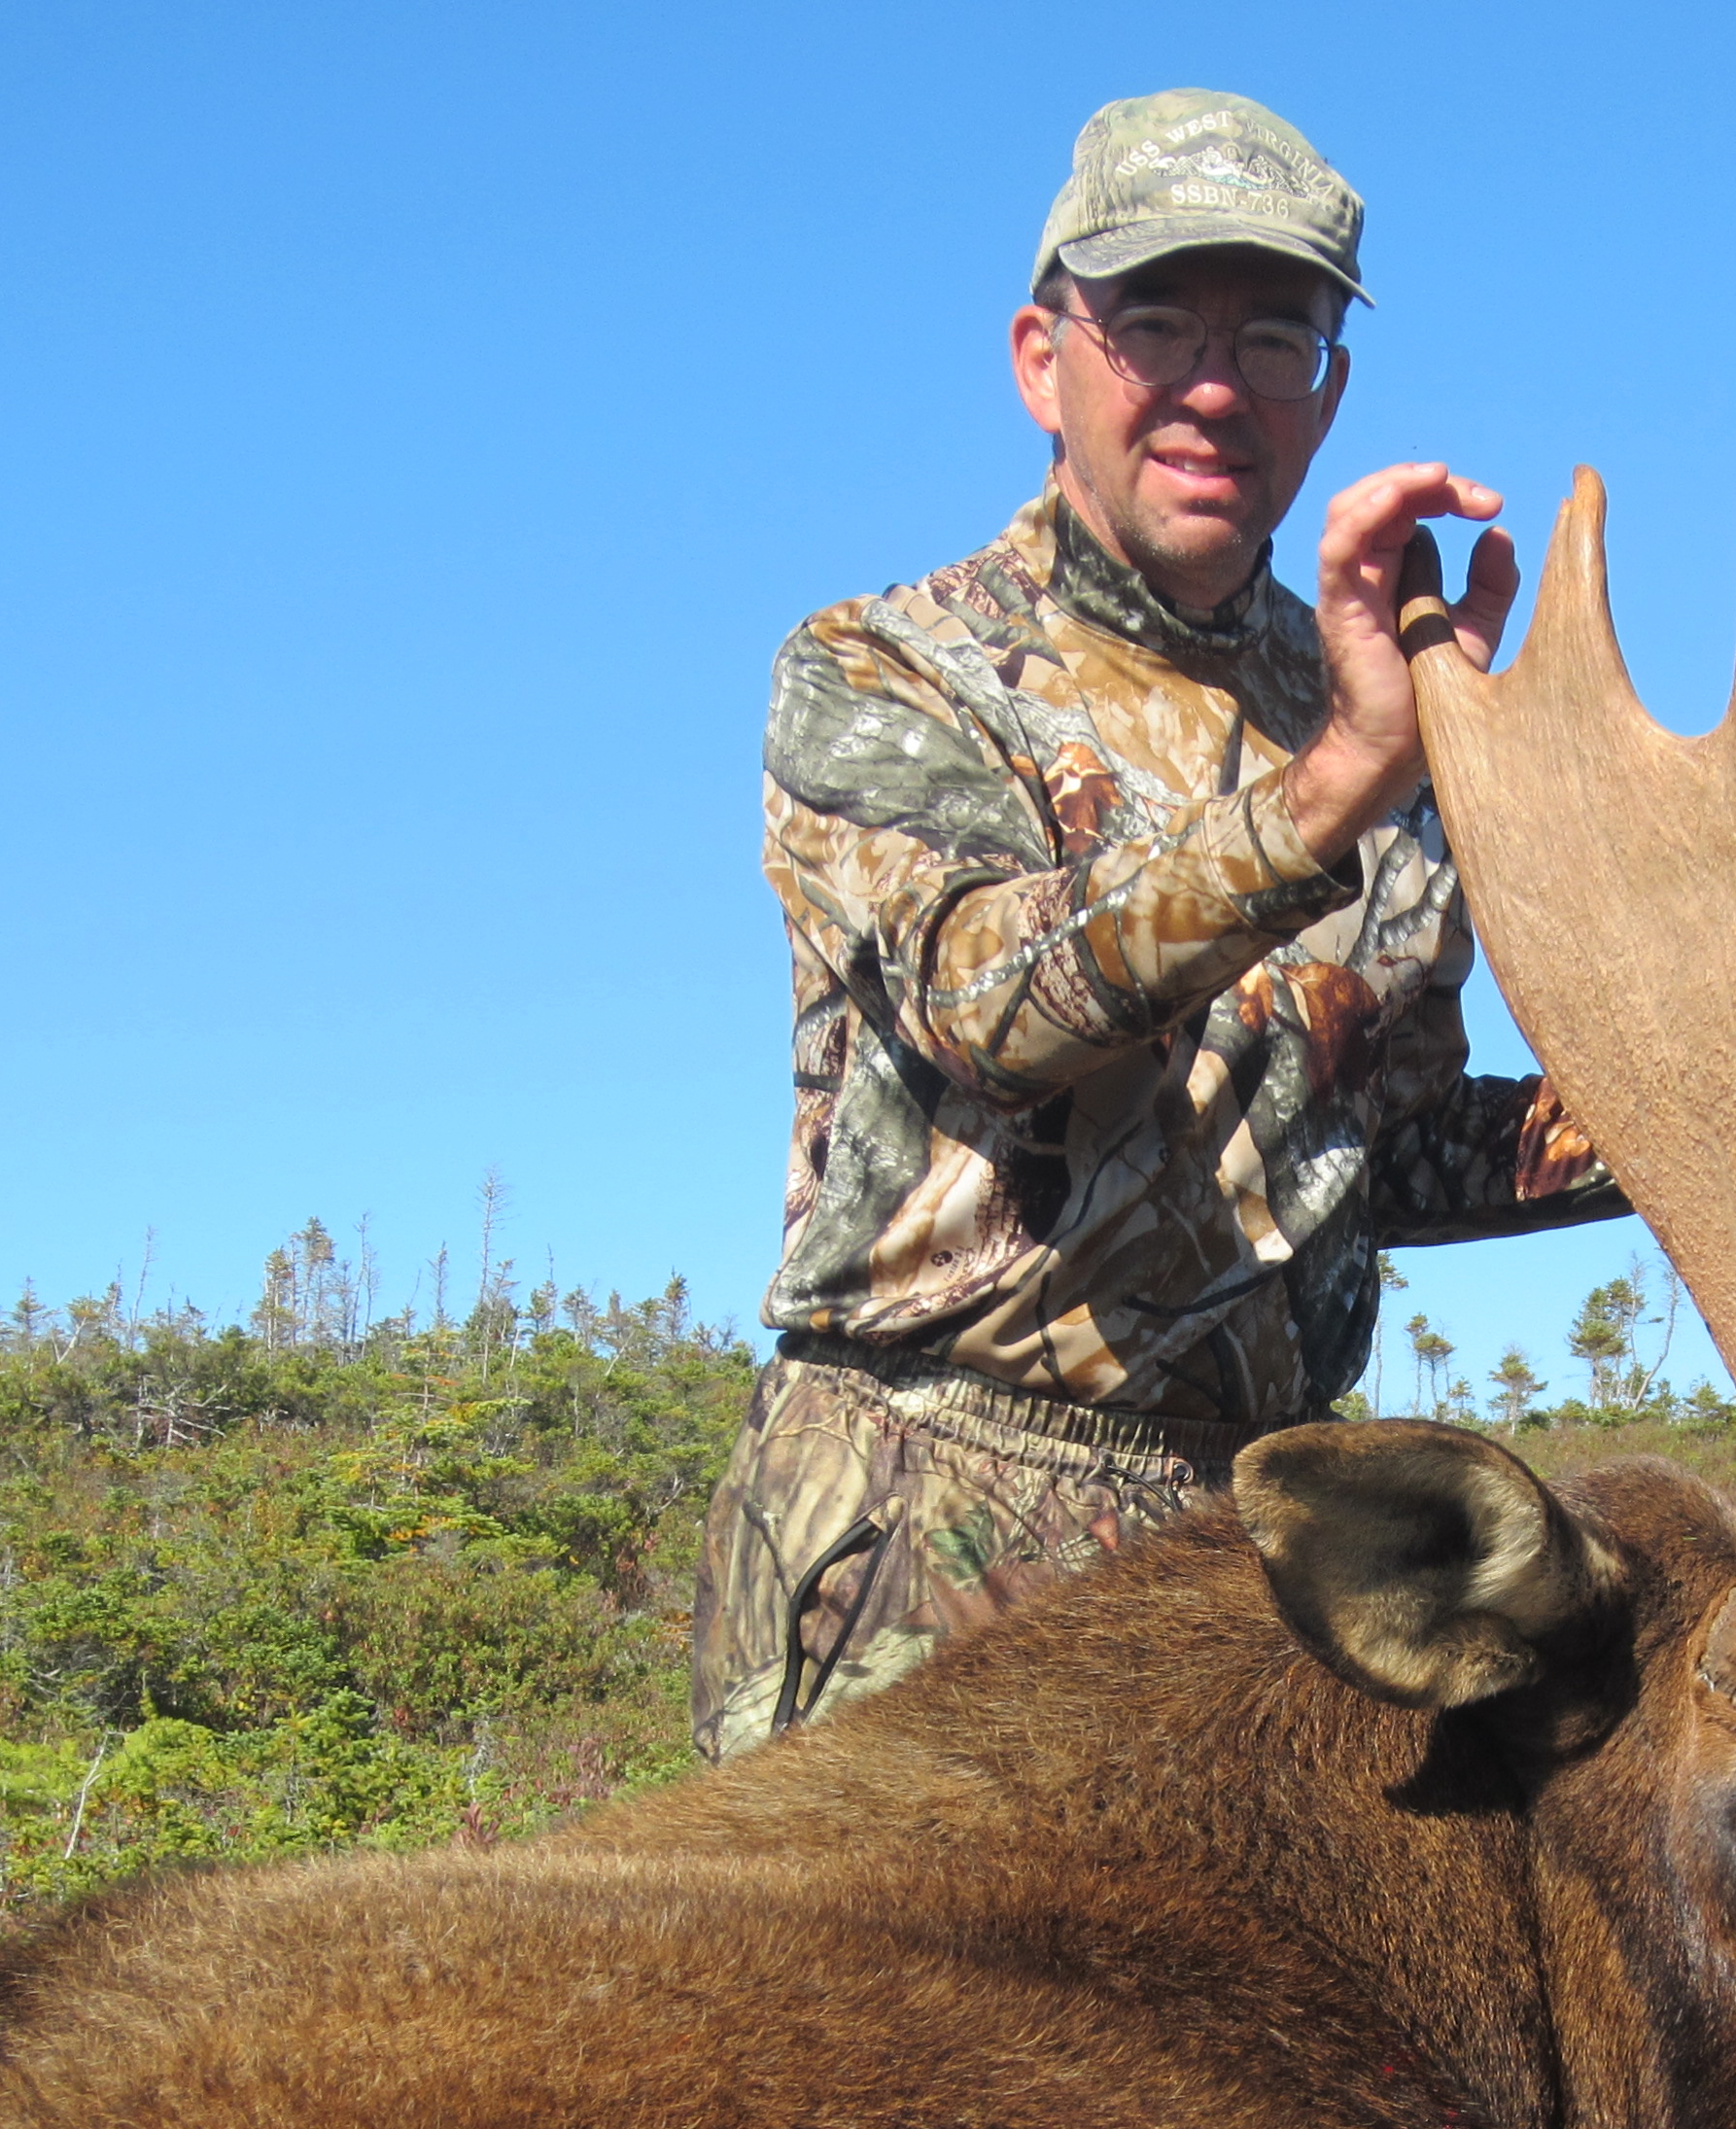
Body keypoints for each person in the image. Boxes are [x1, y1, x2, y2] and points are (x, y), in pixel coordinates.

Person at [688, 87, 1624, 1756]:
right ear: (1043, 358)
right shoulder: (889, 670)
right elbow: (992, 1005)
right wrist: (1343, 777)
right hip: (927, 1511)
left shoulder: (1396, 718)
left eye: (1275, 336)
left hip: (1258, 1556)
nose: (1213, 385)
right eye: (1155, 323)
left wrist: (1716, 1107)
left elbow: (1383, 1147)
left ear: (1327, 393)